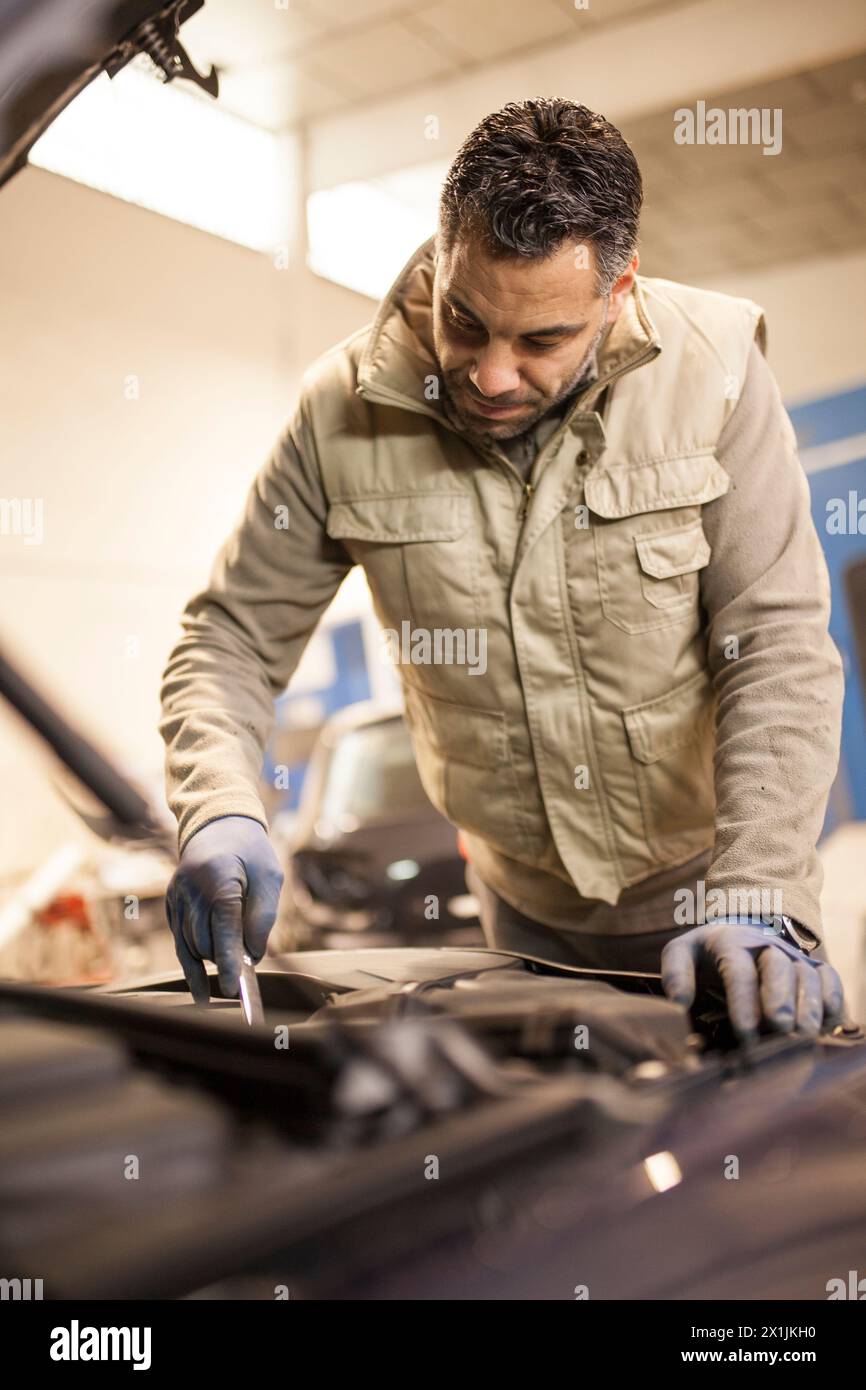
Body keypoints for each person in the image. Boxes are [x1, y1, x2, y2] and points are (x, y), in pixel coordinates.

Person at [160, 98, 846, 1042]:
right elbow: (229, 638)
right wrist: (219, 807)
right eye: (466, 320)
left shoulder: (715, 368)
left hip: (714, 903)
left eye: (540, 342)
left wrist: (762, 887)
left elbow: (774, 642)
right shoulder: (340, 412)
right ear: (441, 261)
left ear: (619, 292)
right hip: (517, 917)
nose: (488, 375)